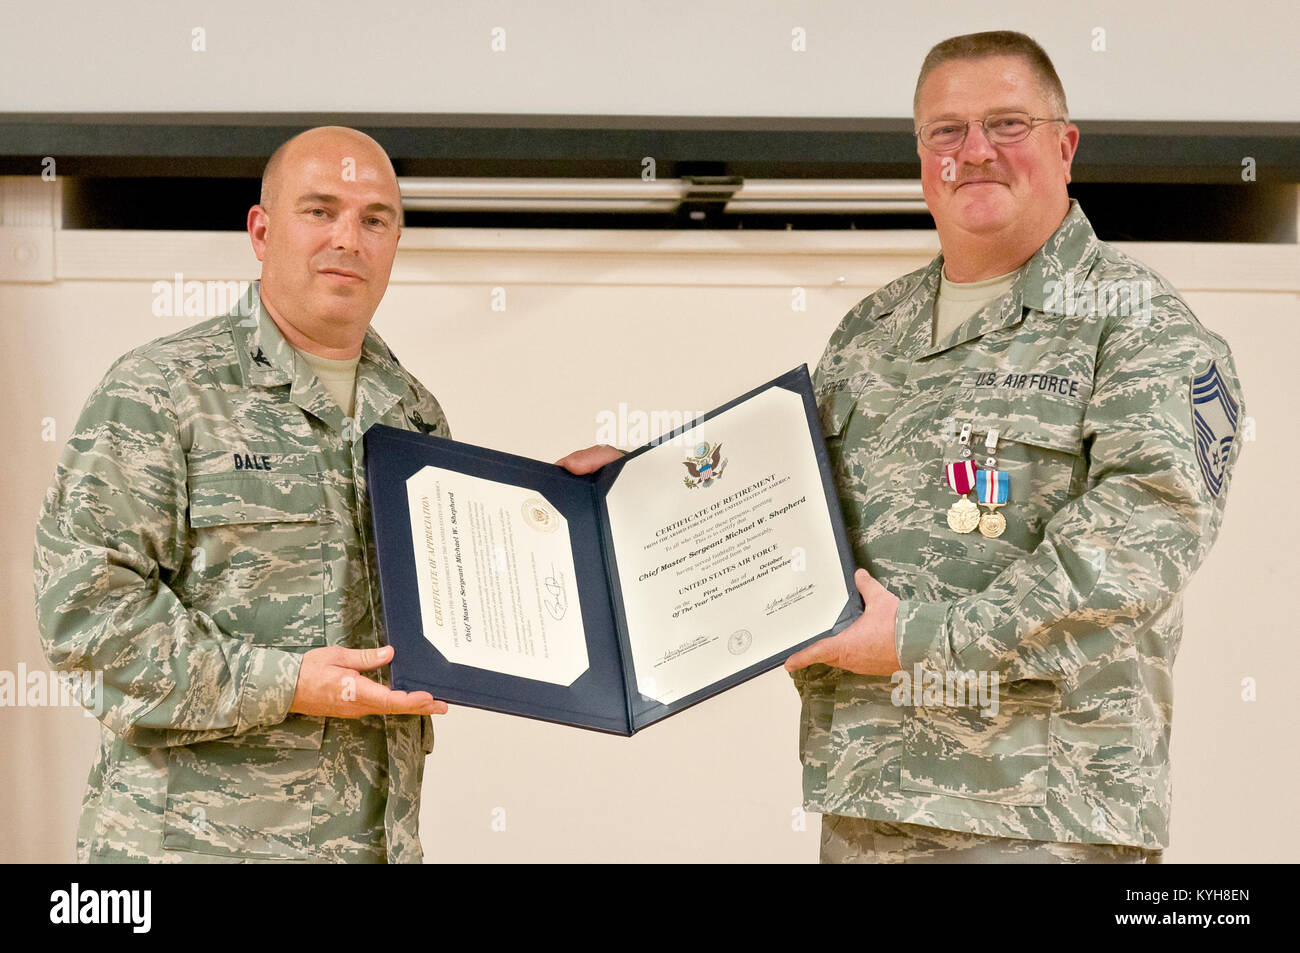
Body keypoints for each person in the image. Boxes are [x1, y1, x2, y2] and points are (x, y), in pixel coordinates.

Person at [565, 30, 1245, 864]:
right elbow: (779, 494)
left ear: (1065, 146)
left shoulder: (1141, 327)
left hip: (1039, 815)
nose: (975, 152)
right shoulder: (870, 332)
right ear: (922, 156)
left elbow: (1138, 548)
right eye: (946, 132)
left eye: (1007, 124)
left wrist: (925, 638)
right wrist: (636, 494)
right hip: (867, 804)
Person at [34, 126, 450, 863]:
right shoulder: (162, 391)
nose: (348, 238)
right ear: (261, 231)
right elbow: (84, 616)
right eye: (319, 210)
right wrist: (286, 682)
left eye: (374, 218)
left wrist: (569, 510)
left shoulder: (415, 415)